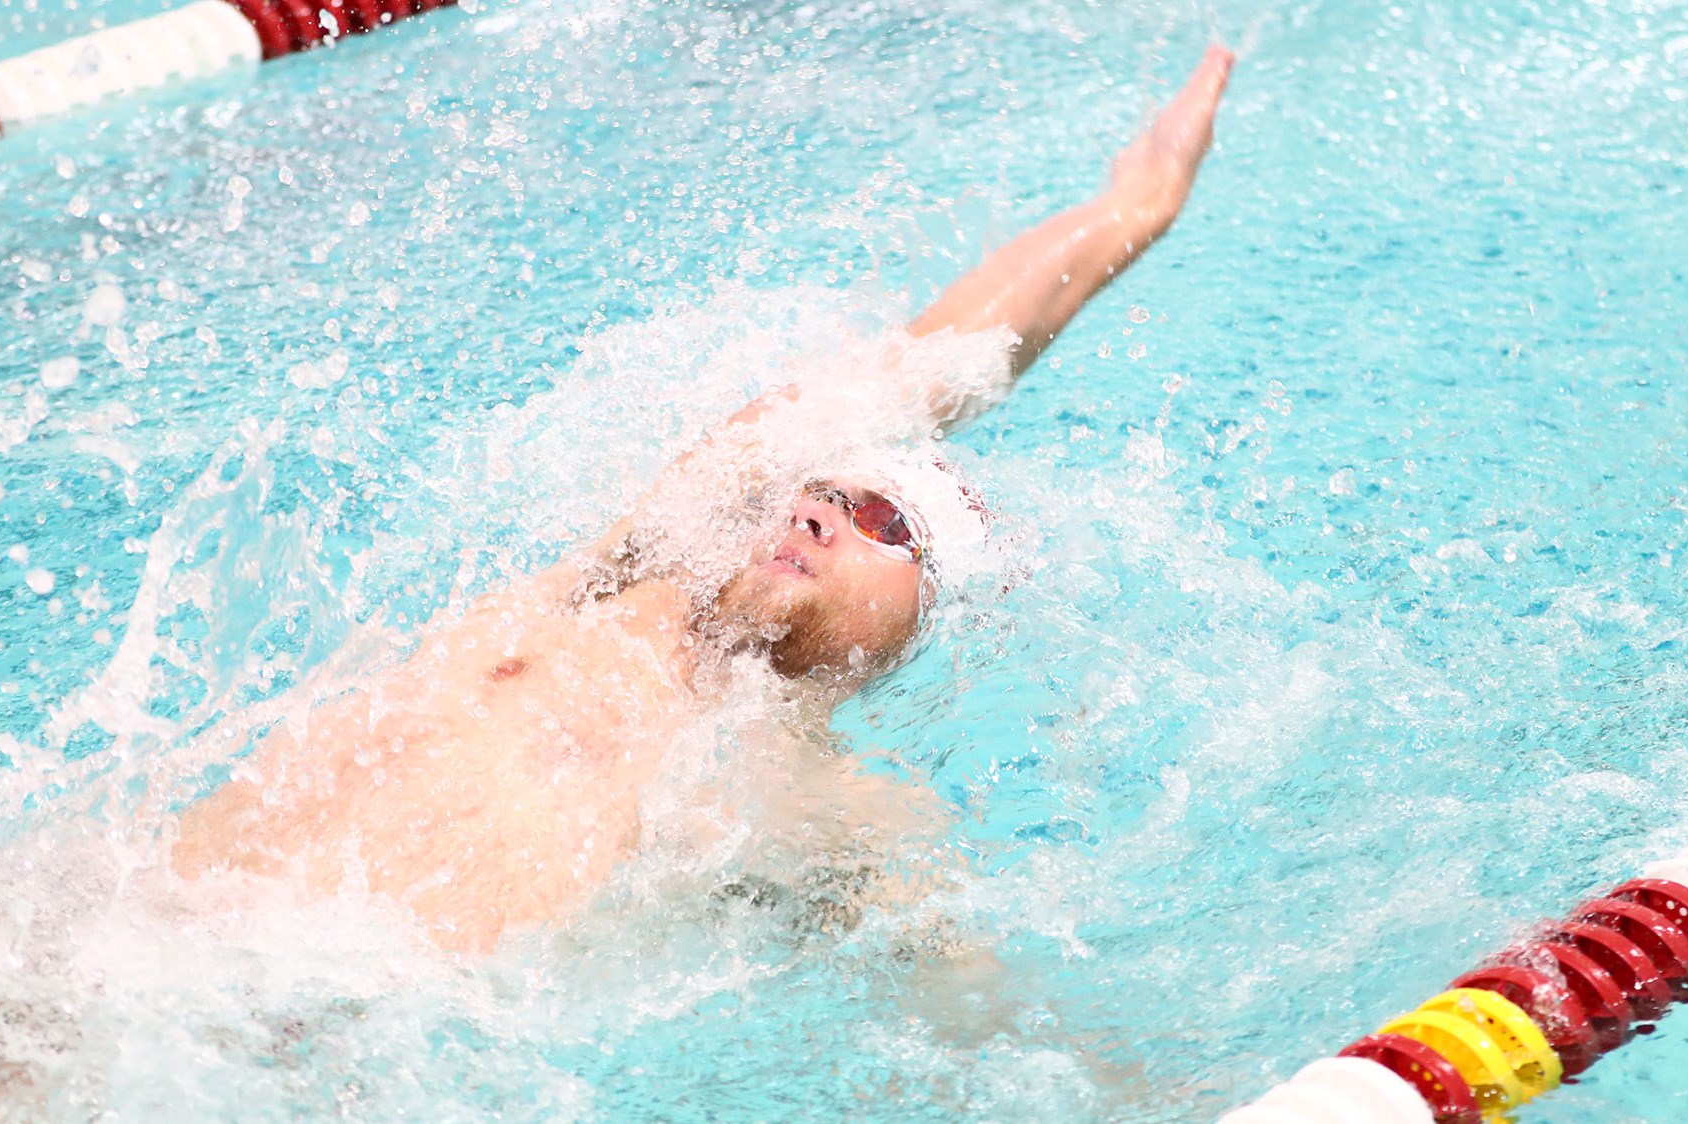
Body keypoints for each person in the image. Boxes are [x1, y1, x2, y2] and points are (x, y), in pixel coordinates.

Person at [168, 46, 1237, 954]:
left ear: (913, 626)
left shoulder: (825, 811)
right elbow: (929, 362)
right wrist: (1124, 212)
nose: (817, 513)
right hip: (130, 917)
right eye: (819, 493)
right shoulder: (615, 585)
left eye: (883, 524)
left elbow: (973, 1006)